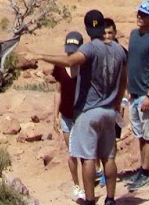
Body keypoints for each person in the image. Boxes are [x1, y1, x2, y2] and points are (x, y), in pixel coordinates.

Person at [39, 11, 128, 205]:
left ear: (87, 29)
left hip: (88, 112)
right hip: (108, 111)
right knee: (109, 157)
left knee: (88, 158)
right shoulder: (120, 51)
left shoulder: (90, 48)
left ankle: (89, 199)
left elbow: (71, 61)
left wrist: (40, 56)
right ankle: (111, 199)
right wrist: (117, 102)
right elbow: (123, 82)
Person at [122, 0, 149, 192]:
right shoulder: (133, 35)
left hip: (146, 95)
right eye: (139, 13)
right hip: (134, 94)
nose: (140, 17)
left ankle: (146, 174)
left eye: (144, 14)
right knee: (140, 134)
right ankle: (142, 169)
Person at [53, 31, 85, 201]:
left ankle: (90, 181)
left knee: (87, 152)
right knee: (72, 152)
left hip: (83, 114)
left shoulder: (86, 65)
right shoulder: (59, 66)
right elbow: (58, 91)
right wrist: (54, 115)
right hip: (66, 115)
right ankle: (77, 186)